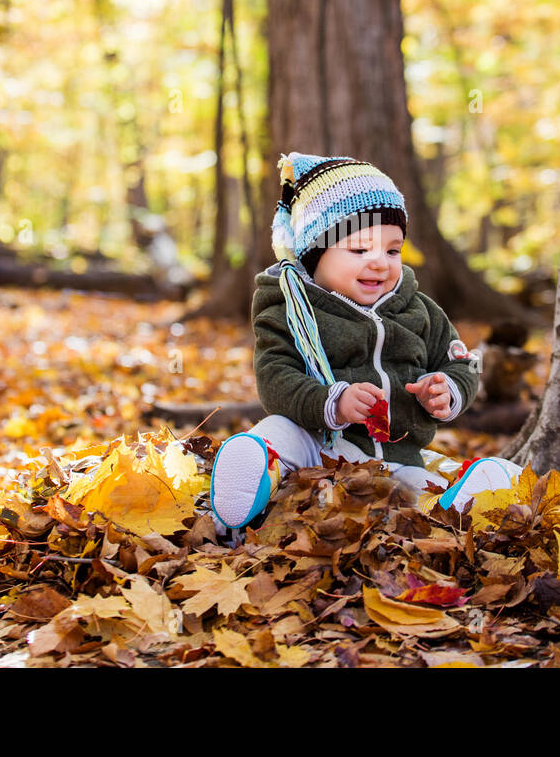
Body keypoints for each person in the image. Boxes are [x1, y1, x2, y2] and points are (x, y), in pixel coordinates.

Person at [208, 151, 523, 533]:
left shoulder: (418, 309)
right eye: (360, 249)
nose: (380, 262)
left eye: (392, 250)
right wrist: (333, 402)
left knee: (417, 487)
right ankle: (250, 476)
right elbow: (275, 377)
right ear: (315, 254)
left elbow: (462, 360)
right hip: (316, 444)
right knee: (277, 430)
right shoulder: (292, 308)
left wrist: (449, 388)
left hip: (398, 457)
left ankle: (460, 501)